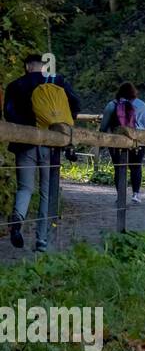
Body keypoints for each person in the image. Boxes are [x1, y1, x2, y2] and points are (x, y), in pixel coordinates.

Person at [4, 54, 81, 253]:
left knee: (25, 188)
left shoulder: (15, 86)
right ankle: (42, 241)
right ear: (42, 66)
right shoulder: (58, 81)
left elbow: (8, 114)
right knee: (47, 191)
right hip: (52, 144)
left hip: (25, 143)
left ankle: (18, 218)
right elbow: (75, 104)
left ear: (27, 66)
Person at [99, 81, 145, 205]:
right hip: (137, 141)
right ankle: (136, 194)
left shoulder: (112, 105)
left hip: (116, 141)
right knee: (136, 166)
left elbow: (104, 126)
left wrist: (102, 141)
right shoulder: (141, 104)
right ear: (134, 92)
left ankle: (121, 196)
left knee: (119, 168)